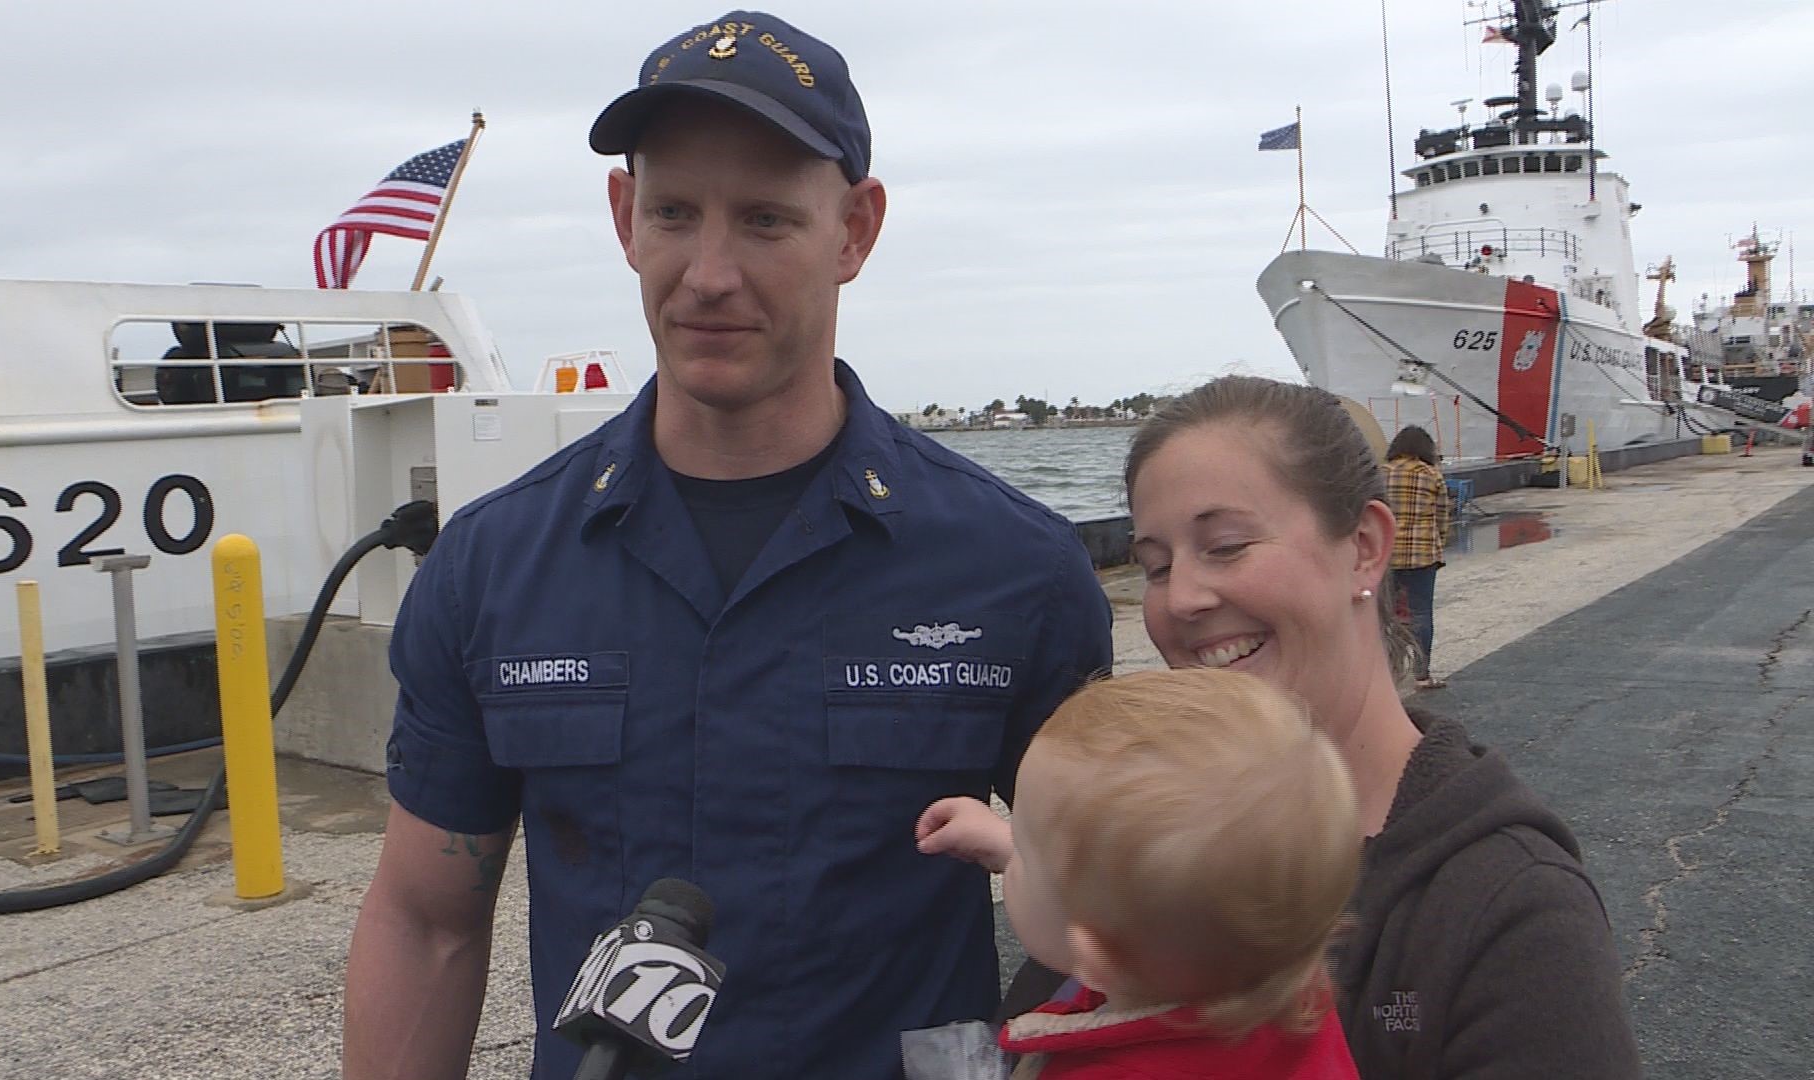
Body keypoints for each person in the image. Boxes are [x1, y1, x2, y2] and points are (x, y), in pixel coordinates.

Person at [340, 12, 1113, 1080]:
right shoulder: (492, 571)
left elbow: (1127, 903)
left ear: (855, 230)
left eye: (763, 220)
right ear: (624, 217)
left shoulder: (1016, 570)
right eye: (674, 213)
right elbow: (426, 921)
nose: (708, 273)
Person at [1110, 374, 1640, 1078]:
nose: (1180, 598)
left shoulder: (1509, 912)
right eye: (1155, 565)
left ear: (1363, 546)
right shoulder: (1155, 843)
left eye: (1227, 545)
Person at [918, 669, 1362, 1079]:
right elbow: (1149, 882)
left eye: (1026, 857)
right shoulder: (1281, 991)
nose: (1014, 855)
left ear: (1095, 960)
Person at [1382, 425, 1450, 689]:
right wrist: (1437, 544)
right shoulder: (1431, 475)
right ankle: (1422, 675)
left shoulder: (1380, 474)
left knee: (1384, 616)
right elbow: (1443, 516)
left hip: (1386, 555)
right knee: (1421, 614)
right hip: (1422, 556)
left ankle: (1388, 672)